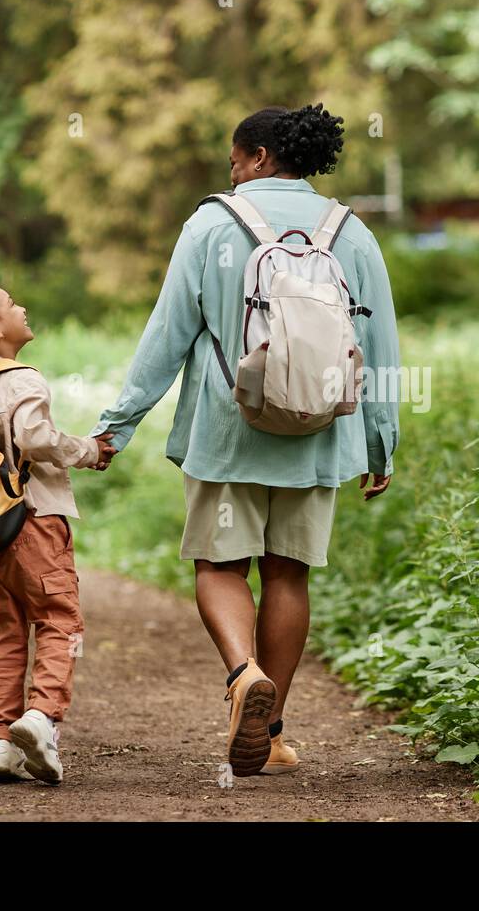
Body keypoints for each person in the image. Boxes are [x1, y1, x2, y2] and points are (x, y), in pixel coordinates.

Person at [91, 102, 400, 777]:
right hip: (319, 432)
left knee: (220, 566)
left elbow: (167, 333)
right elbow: (378, 347)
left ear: (259, 157)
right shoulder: (351, 233)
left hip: (230, 427)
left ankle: (241, 677)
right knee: (288, 573)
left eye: (234, 160)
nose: (230, 173)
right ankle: (274, 729)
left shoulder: (211, 224)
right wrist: (382, 443)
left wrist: (118, 423)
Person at [0, 285, 117, 785]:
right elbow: (35, 438)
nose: (22, 309)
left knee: (3, 628)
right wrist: (88, 450)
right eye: (12, 306)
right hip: (33, 519)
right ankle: (41, 719)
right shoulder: (22, 379)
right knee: (60, 620)